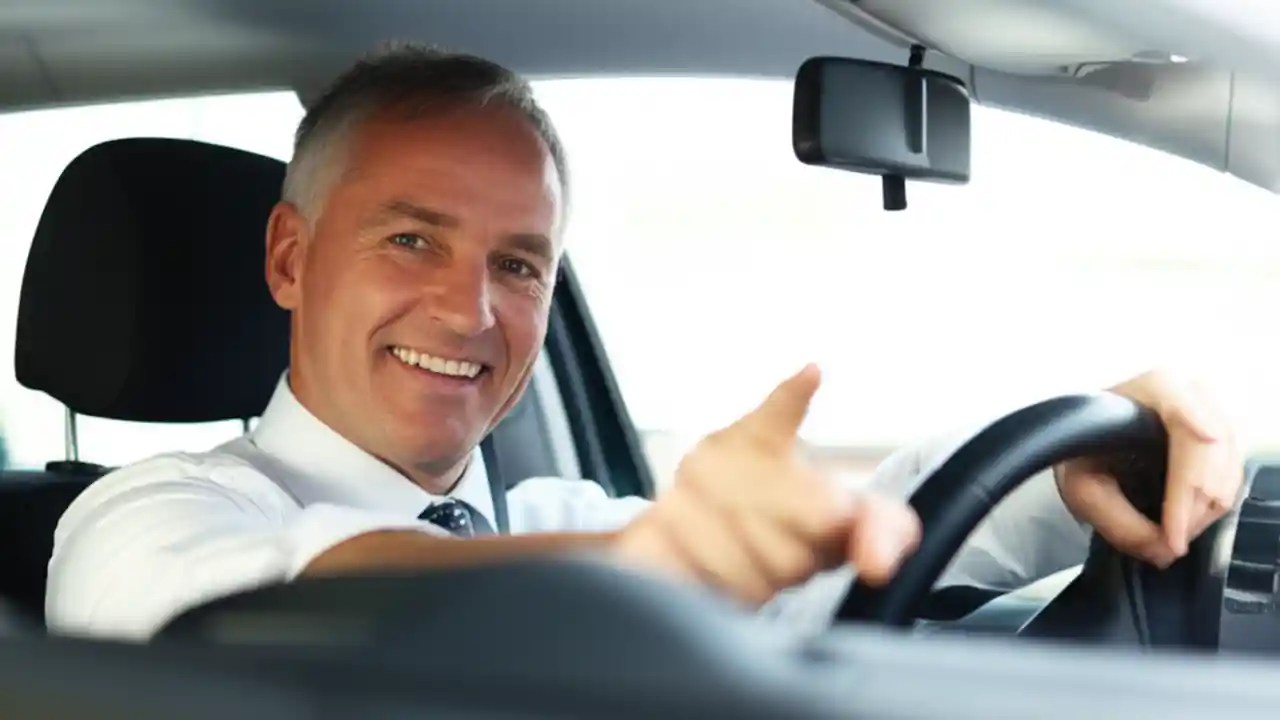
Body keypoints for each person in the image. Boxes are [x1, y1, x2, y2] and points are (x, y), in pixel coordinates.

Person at [45, 44, 1243, 640]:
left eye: (518, 265)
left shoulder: (569, 516)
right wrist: (653, 572)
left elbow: (833, 549)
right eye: (411, 242)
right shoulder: (150, 517)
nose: (470, 315)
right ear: (290, 259)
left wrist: (1066, 455)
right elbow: (255, 613)